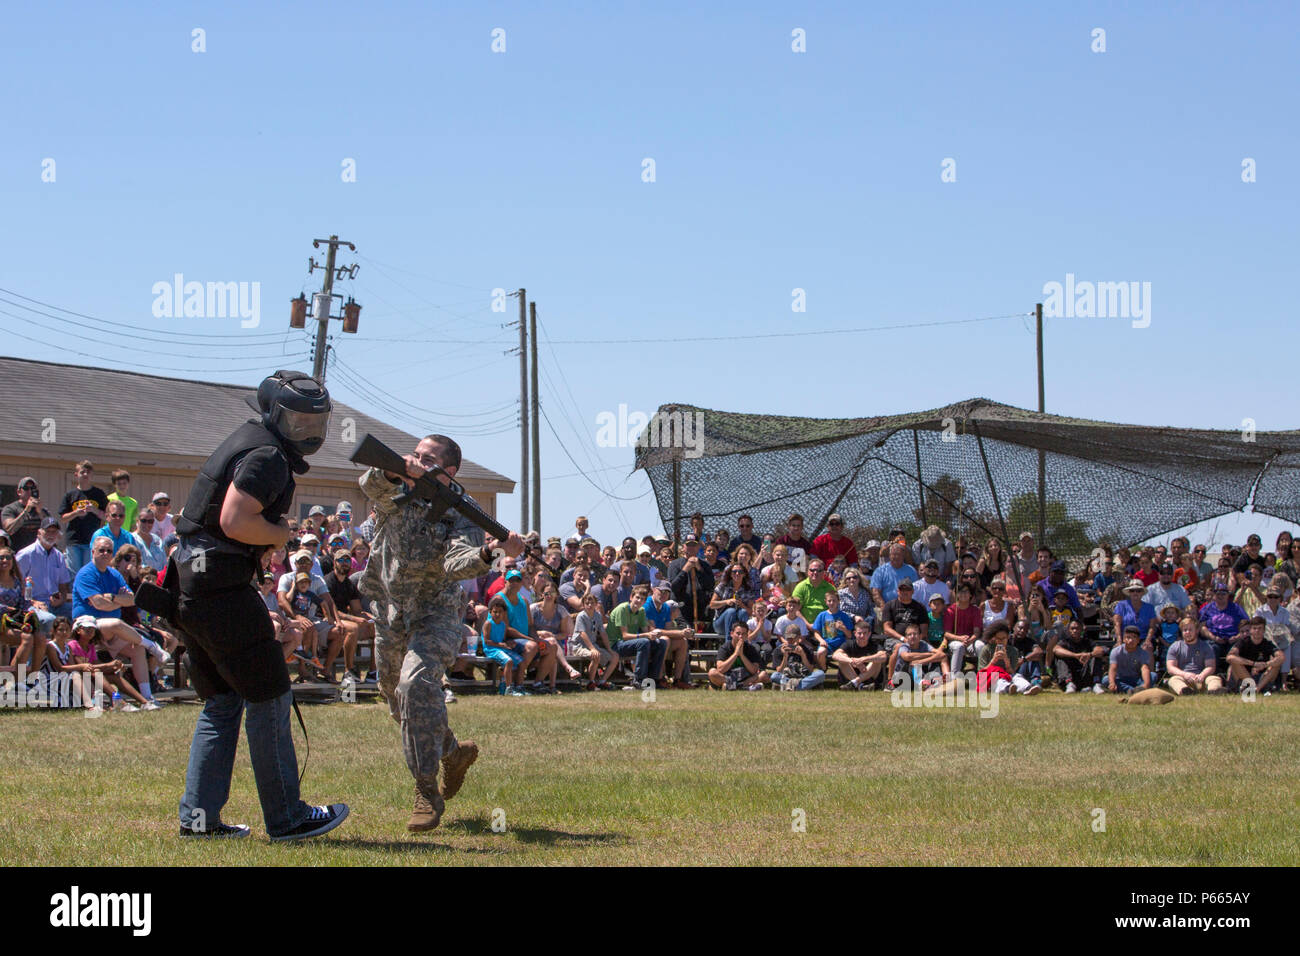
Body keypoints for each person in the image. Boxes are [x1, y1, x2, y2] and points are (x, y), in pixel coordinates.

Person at [168, 370, 349, 841]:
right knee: (269, 695)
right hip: (219, 586)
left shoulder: (252, 443)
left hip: (193, 582)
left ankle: (200, 820)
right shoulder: (267, 454)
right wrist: (281, 534)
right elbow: (233, 520)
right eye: (297, 421)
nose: (308, 433)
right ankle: (287, 817)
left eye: (316, 423)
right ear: (272, 414)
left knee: (223, 701)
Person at [356, 428, 523, 830]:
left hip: (436, 613)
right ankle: (452, 751)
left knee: (417, 686)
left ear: (449, 471)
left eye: (427, 459)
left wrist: (493, 551)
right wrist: (400, 472)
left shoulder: (462, 510)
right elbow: (368, 483)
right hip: (391, 610)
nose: (416, 461)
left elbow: (457, 562)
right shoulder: (396, 490)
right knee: (398, 704)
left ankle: (425, 790)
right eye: (415, 454)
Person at [17, 517, 73, 630]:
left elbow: (63, 586)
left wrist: (61, 599)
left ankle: (72, 647)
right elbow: (15, 584)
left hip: (54, 605)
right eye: (47, 531)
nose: (51, 535)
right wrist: (33, 601)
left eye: (54, 532)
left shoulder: (59, 556)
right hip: (31, 605)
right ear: (39, 532)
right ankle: (49, 647)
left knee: (78, 611)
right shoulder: (25, 554)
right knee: (49, 619)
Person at [606, 586, 667, 688]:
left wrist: (653, 635)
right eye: (637, 597)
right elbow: (624, 636)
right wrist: (646, 635)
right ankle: (638, 680)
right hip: (616, 645)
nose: (639, 601)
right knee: (643, 642)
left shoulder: (641, 611)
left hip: (631, 643)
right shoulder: (623, 609)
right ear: (631, 597)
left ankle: (654, 679)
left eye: (642, 599)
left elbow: (645, 632)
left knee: (661, 643)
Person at [643, 580, 695, 688]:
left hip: (661, 640)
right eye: (661, 591)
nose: (663, 594)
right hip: (646, 641)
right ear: (654, 590)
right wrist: (680, 632)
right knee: (665, 640)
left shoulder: (665, 607)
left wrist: (684, 633)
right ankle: (660, 678)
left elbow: (668, 628)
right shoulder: (647, 605)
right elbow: (654, 631)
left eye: (666, 592)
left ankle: (677, 680)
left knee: (683, 641)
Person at [59, 461, 108, 574]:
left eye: (88, 472)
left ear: (92, 475)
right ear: (76, 474)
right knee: (74, 573)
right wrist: (76, 513)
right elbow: (63, 518)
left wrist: (94, 510)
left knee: (89, 573)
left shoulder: (99, 494)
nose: (85, 474)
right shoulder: (70, 495)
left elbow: (108, 517)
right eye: (82, 472)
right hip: (74, 541)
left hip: (92, 541)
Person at [480, 595, 529, 696]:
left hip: (500, 648)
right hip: (491, 649)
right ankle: (508, 689)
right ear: (490, 612)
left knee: (521, 661)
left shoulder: (502, 624)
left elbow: (502, 639)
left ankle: (517, 686)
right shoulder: (488, 624)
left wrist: (508, 643)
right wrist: (501, 644)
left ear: (504, 613)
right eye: (495, 612)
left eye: (500, 612)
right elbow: (487, 641)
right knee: (509, 661)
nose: (497, 614)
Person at [976, 620, 1040, 694]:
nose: (1001, 641)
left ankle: (1028, 688)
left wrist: (1006, 661)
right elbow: (981, 672)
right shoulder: (986, 649)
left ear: (1008, 637)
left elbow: (1012, 672)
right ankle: (1007, 688)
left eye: (1004, 638)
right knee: (999, 680)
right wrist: (993, 660)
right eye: (998, 638)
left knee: (1017, 677)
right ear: (993, 638)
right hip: (991, 677)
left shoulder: (1013, 651)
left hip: (1007, 675)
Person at [571, 591, 619, 689]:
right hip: (579, 645)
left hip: (592, 645)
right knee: (595, 655)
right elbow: (582, 634)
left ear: (596, 604)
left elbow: (603, 632)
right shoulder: (581, 616)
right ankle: (590, 682)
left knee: (615, 656)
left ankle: (602, 681)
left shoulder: (597, 615)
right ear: (583, 605)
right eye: (587, 603)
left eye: (592, 603)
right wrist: (592, 648)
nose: (589, 605)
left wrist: (609, 649)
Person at [1165, 615, 1222, 695]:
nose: (1187, 632)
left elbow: (1211, 666)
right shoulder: (1175, 647)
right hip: (1184, 679)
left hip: (1201, 679)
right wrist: (1185, 674)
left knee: (1214, 678)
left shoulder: (1206, 646)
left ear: (1197, 631)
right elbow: (1170, 668)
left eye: (1190, 629)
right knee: (1173, 680)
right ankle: (1185, 691)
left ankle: (1213, 691)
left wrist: (1202, 675)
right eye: (1185, 630)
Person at [1226, 617, 1284, 694]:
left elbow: (1281, 657)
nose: (1257, 631)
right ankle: (1252, 686)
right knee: (1234, 661)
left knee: (1276, 664)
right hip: (1245, 677)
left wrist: (1266, 665)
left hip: (1262, 678)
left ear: (1264, 630)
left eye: (1260, 628)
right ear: (1251, 630)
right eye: (1254, 628)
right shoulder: (1243, 642)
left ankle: (1257, 689)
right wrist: (1253, 663)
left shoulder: (1267, 644)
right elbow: (1229, 657)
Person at [708, 620, 769, 690]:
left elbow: (754, 670)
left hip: (746, 678)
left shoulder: (751, 649)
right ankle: (743, 687)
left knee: (763, 674)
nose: (740, 636)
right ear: (731, 634)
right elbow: (720, 669)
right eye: (738, 633)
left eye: (743, 634)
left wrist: (742, 655)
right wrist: (735, 654)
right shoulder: (725, 648)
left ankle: (733, 686)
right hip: (728, 678)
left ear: (746, 635)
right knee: (712, 673)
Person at [1052, 619, 1105, 692]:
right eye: (1072, 628)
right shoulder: (1064, 642)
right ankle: (1069, 685)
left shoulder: (1087, 641)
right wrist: (1075, 655)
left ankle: (1096, 684)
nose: (1075, 631)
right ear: (1068, 630)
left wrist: (1089, 655)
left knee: (1096, 657)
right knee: (1061, 659)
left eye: (1077, 628)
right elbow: (1056, 650)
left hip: (1084, 673)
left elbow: (1100, 650)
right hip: (1069, 675)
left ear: (1081, 630)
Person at [832, 619, 886, 690]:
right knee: (843, 658)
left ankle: (855, 683)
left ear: (869, 634)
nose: (862, 636)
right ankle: (860, 686)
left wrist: (863, 659)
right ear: (855, 633)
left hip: (869, 676)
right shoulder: (849, 644)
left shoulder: (875, 645)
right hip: (850, 675)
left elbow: (883, 656)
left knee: (876, 660)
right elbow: (835, 655)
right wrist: (852, 661)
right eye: (859, 633)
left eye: (865, 633)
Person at [771, 620, 825, 690]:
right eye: (788, 638)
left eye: (793, 638)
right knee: (774, 676)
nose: (790, 641)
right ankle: (800, 686)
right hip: (787, 676)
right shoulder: (779, 650)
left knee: (820, 674)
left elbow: (810, 670)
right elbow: (779, 671)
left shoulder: (807, 649)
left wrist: (803, 655)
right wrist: (785, 656)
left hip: (803, 675)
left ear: (799, 637)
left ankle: (791, 686)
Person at [1, 477, 51, 552]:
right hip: (17, 552)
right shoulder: (10, 509)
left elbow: (51, 531)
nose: (30, 491)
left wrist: (40, 512)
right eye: (26, 488)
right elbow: (9, 529)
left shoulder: (42, 510)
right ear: (19, 492)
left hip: (38, 553)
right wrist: (26, 511)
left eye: (33, 488)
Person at [1101, 626, 1153, 694]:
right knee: (1106, 680)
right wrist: (1112, 683)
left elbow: (1144, 669)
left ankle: (1137, 689)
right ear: (1123, 639)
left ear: (1138, 640)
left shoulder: (1143, 653)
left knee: (1152, 675)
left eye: (1134, 637)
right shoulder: (1116, 651)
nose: (1131, 640)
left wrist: (1146, 684)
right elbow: (1113, 668)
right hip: (1120, 678)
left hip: (1136, 679)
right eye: (1128, 637)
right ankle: (1134, 690)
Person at [870, 543, 919, 609]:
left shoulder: (911, 570)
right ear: (889, 556)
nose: (896, 557)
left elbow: (916, 591)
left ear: (903, 556)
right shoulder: (879, 571)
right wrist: (884, 608)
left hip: (907, 608)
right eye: (894, 554)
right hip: (886, 607)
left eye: (899, 554)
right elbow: (875, 593)